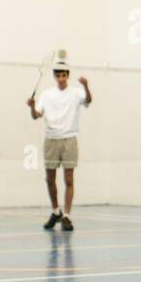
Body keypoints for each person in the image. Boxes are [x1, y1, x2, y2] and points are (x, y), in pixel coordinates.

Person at [27, 63, 91, 231]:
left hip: (69, 140)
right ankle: (56, 211)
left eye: (64, 75)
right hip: (51, 140)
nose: (61, 78)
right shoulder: (47, 95)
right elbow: (36, 116)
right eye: (58, 76)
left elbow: (88, 100)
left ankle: (67, 216)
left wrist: (85, 85)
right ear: (55, 77)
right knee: (50, 179)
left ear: (67, 76)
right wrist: (32, 107)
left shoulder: (77, 92)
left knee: (69, 180)